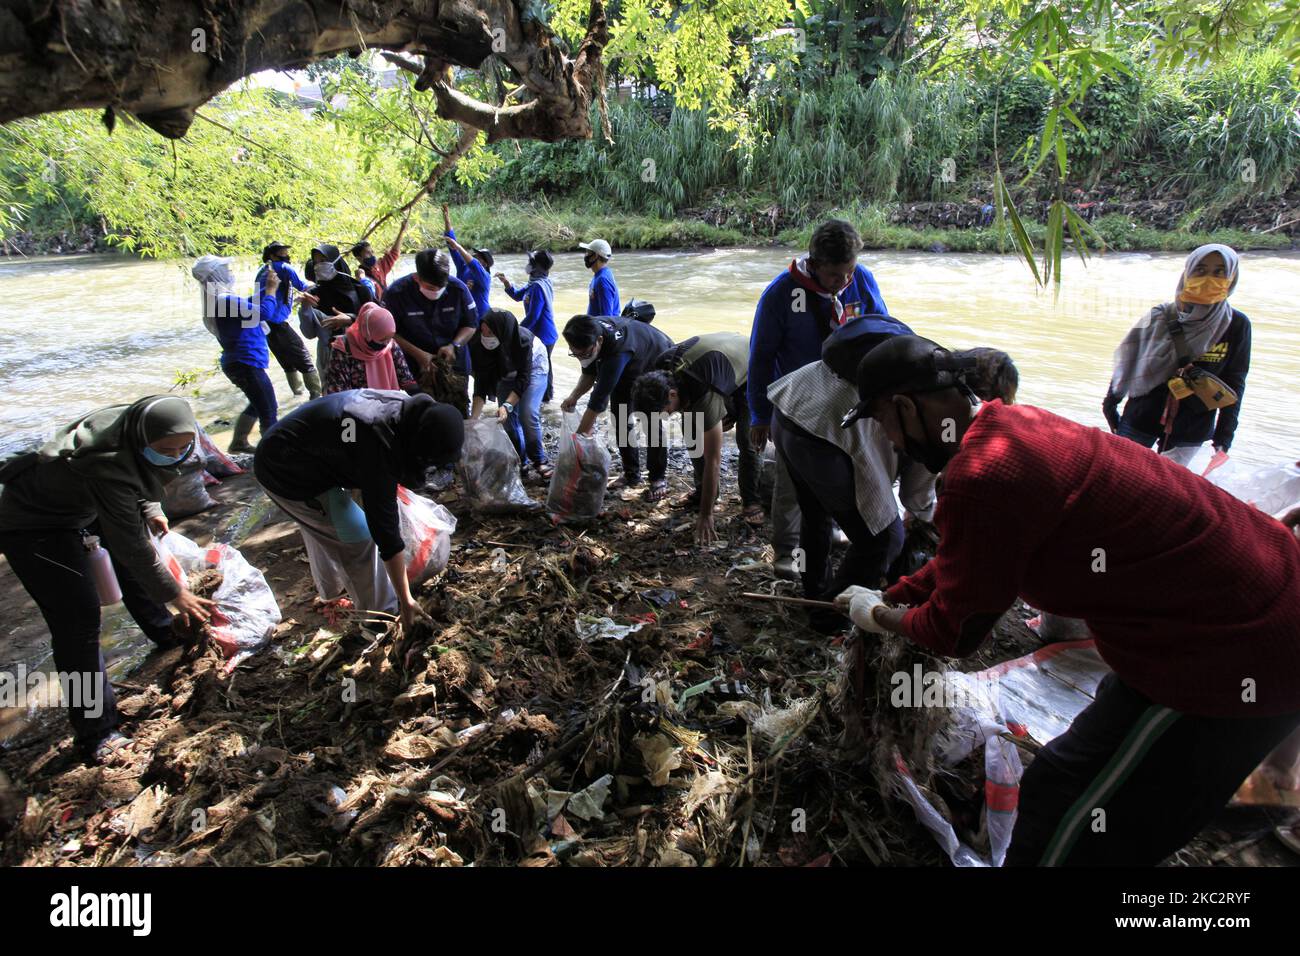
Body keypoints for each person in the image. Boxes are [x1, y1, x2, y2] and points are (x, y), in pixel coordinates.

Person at [835, 334, 1300, 866]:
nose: (892, 441)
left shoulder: (981, 474)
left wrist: (878, 617)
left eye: (884, 425)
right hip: (1234, 607)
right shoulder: (1012, 427)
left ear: (903, 407)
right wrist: (892, 593)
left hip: (1234, 651)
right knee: (1064, 781)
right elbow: (974, 559)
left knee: (1075, 826)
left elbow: (953, 632)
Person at [0, 396, 217, 762]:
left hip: (84, 502)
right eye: (166, 449)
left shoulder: (134, 425)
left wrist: (150, 505)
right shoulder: (104, 464)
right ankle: (95, 732)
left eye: (183, 447)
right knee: (78, 622)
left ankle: (165, 632)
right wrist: (176, 593)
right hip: (33, 523)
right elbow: (131, 544)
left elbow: (139, 478)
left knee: (131, 566)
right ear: (141, 440)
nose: (176, 454)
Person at [253, 390, 464, 630]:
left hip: (317, 451)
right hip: (283, 467)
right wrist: (405, 599)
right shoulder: (377, 443)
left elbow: (356, 447)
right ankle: (378, 618)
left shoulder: (409, 412)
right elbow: (387, 536)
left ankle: (330, 593)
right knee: (355, 537)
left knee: (327, 526)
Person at [748, 219, 889, 578]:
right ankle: (786, 550)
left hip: (848, 396)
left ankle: (839, 528)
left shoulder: (862, 280)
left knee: (848, 468)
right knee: (791, 480)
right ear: (814, 262)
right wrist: (759, 415)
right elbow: (761, 356)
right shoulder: (780, 294)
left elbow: (881, 329)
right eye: (833, 275)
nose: (843, 281)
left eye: (849, 272)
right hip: (797, 403)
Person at [768, 316, 932, 613]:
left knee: (815, 515)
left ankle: (815, 595)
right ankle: (833, 613)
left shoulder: (925, 368)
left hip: (789, 406)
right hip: (821, 434)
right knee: (883, 539)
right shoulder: (937, 406)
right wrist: (919, 516)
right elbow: (916, 496)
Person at [1103, 244, 1250, 469]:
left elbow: (1235, 382)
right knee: (1119, 477)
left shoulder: (1236, 325)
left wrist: (1224, 439)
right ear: (1187, 273)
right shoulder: (1159, 315)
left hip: (1192, 426)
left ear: (1232, 277)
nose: (1209, 278)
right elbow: (1128, 361)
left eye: (1219, 272)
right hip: (1142, 416)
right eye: (1200, 270)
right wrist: (1110, 406)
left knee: (1165, 493)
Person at [631, 332, 761, 545]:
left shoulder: (701, 389)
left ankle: (751, 500)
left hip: (752, 367)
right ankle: (704, 492)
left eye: (664, 411)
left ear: (672, 395)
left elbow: (714, 460)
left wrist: (706, 515)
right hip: (719, 366)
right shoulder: (660, 370)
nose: (664, 417)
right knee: (692, 435)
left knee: (748, 441)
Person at [561, 314, 674, 500]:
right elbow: (589, 373)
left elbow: (598, 399)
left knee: (650, 419)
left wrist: (577, 441)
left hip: (654, 361)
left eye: (584, 353)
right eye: (575, 353)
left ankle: (657, 477)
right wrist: (574, 396)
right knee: (620, 418)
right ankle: (632, 474)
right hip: (628, 368)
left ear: (599, 341)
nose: (581, 357)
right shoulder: (586, 333)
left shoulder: (617, 350)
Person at [192, 255, 279, 453]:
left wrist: (266, 290)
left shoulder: (217, 300)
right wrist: (272, 291)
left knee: (258, 403)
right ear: (217, 275)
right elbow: (262, 313)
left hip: (238, 361)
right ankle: (274, 455)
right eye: (225, 269)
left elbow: (250, 307)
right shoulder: (223, 299)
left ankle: (239, 442)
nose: (230, 272)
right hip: (245, 361)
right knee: (269, 409)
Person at [468, 309, 553, 481]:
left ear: (502, 332)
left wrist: (507, 404)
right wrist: (473, 420)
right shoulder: (479, 344)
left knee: (527, 413)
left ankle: (538, 459)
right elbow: (481, 384)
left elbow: (523, 379)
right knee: (506, 419)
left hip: (533, 367)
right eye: (483, 331)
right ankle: (520, 460)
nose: (486, 337)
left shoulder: (523, 342)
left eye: (490, 333)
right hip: (504, 371)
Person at [384, 249, 479, 384]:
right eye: (430, 287)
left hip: (454, 365)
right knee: (422, 404)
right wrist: (419, 355)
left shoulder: (459, 289)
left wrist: (454, 345)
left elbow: (471, 324)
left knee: (458, 402)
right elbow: (389, 333)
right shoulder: (396, 293)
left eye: (441, 287)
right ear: (417, 278)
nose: (436, 291)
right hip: (415, 368)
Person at [255, 241, 322, 399]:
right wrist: (322, 287)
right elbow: (303, 285)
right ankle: (317, 396)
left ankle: (297, 396)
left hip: (264, 324)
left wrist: (295, 300)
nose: (286, 255)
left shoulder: (262, 271)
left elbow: (273, 296)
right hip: (278, 324)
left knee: (287, 362)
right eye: (283, 252)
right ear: (273, 255)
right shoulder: (284, 268)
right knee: (305, 359)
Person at [298, 242, 376, 378]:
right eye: (316, 262)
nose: (319, 266)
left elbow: (377, 323)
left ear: (336, 262)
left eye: (323, 261)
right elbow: (309, 334)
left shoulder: (359, 289)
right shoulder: (313, 295)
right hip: (329, 357)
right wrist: (305, 308)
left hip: (361, 352)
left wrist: (351, 320)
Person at [496, 249, 557, 403]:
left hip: (543, 335)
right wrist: (507, 283)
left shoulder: (538, 287)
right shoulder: (535, 284)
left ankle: (545, 399)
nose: (528, 264)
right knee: (544, 366)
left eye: (531, 262)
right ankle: (545, 399)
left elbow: (533, 317)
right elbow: (518, 296)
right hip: (543, 333)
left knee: (543, 368)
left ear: (537, 267)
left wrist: (515, 332)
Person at [323, 302, 419, 395]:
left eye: (390, 338)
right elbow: (338, 392)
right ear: (366, 333)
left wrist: (423, 399)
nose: (386, 343)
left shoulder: (391, 345)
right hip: (355, 407)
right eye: (382, 340)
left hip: (388, 406)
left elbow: (406, 379)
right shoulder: (344, 349)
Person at [442, 204, 492, 318]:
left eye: (478, 256)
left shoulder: (485, 277)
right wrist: (447, 220)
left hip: (481, 318)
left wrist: (459, 247)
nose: (474, 256)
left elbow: (474, 264)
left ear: (485, 263)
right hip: (463, 314)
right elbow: (453, 247)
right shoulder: (463, 267)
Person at [350, 217, 408, 298]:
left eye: (372, 251)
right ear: (359, 258)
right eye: (368, 253)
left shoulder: (379, 266)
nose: (372, 255)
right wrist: (362, 279)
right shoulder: (361, 279)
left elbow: (394, 253)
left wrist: (402, 231)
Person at [579, 238, 620, 317]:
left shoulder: (603, 280)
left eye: (588, 252)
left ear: (595, 256)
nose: (585, 255)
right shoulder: (599, 275)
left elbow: (607, 318)